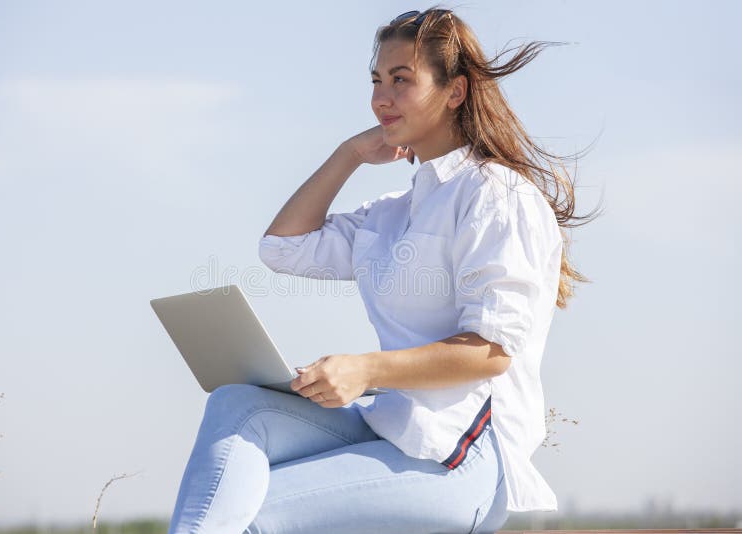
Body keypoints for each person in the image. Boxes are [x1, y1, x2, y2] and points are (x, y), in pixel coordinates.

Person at [168, 6, 600, 533]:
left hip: (461, 456)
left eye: (401, 80)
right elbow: (282, 248)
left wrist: (363, 370)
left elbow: (491, 353)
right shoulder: (396, 210)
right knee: (236, 406)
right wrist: (348, 153)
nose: (381, 98)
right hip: (392, 428)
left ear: (455, 92)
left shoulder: (497, 195)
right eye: (376, 81)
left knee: (250, 514)